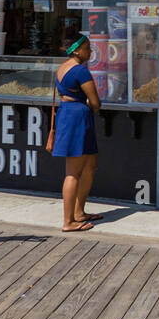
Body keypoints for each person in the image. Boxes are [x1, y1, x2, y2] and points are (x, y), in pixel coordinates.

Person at [47, 35, 104, 232]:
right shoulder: (81, 71)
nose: (91, 51)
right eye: (87, 48)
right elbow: (95, 102)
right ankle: (68, 221)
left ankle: (79, 213)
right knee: (73, 173)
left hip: (68, 115)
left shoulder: (62, 67)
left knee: (90, 165)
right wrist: (91, 107)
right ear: (77, 51)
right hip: (78, 119)